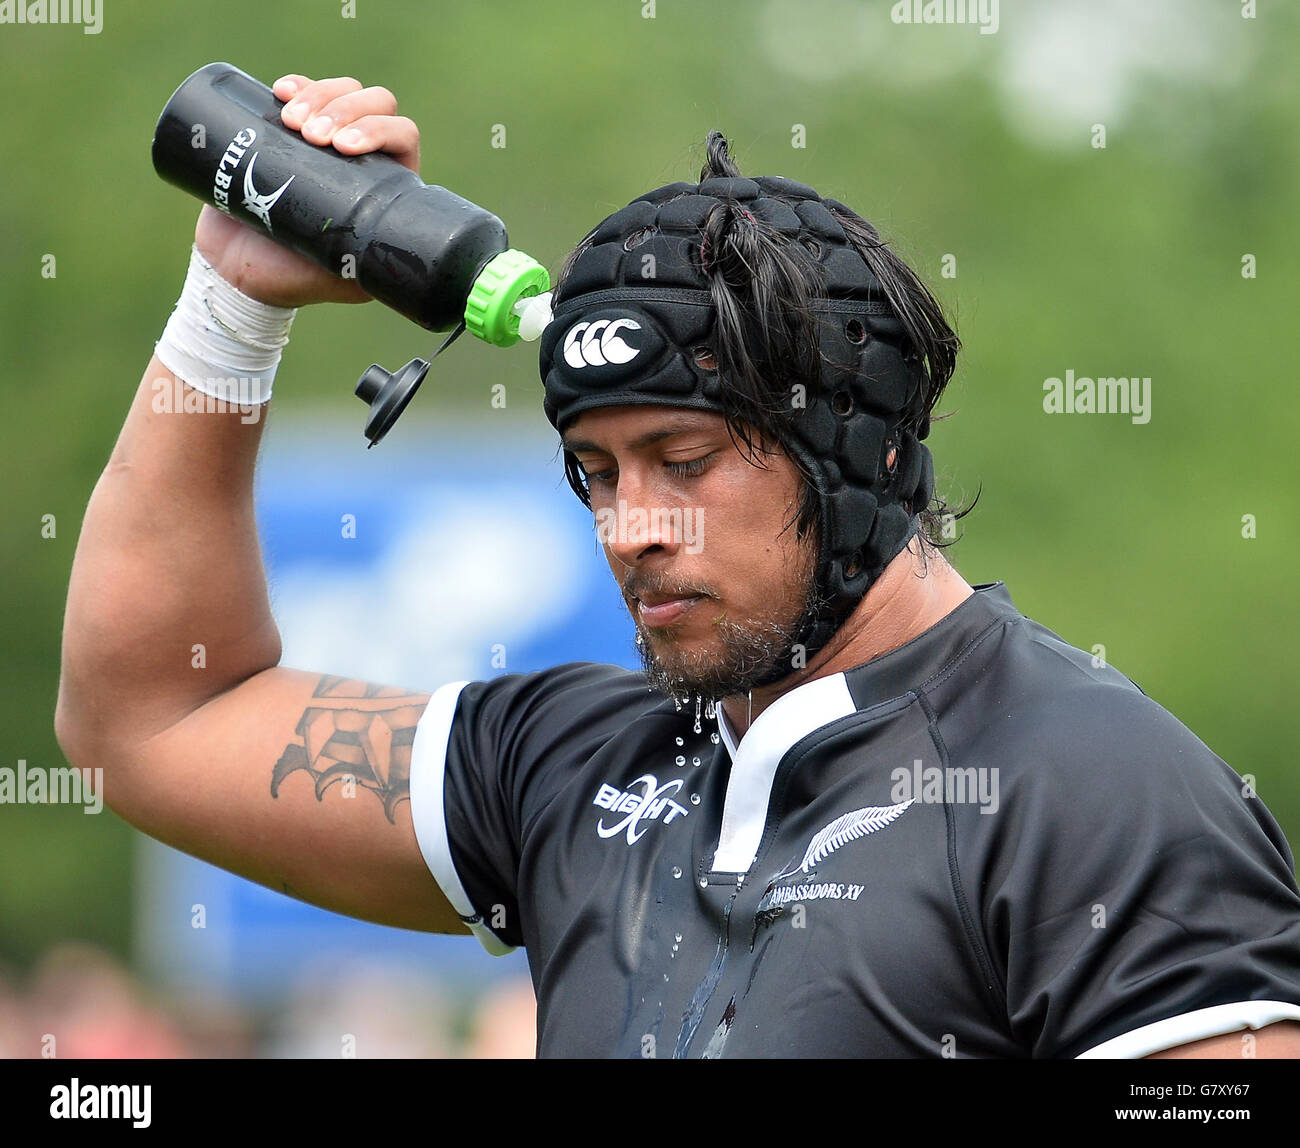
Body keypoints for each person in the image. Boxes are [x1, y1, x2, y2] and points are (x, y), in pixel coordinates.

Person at [56, 73, 1300, 1059]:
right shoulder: (572, 766)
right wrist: (229, 305)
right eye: (596, 470)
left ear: (852, 455)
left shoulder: (1100, 789)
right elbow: (154, 715)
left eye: (684, 458)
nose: (628, 524)